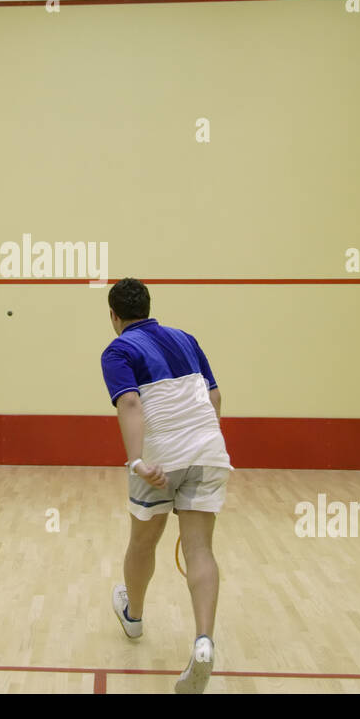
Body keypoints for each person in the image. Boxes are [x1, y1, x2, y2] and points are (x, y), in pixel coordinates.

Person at [100, 277, 231, 694]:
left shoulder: (118, 349)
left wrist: (138, 460)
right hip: (208, 450)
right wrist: (204, 447)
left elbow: (130, 402)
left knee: (142, 542)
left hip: (160, 458)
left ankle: (133, 618)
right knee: (200, 549)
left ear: (114, 316)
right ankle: (204, 641)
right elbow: (214, 398)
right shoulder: (186, 339)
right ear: (150, 306)